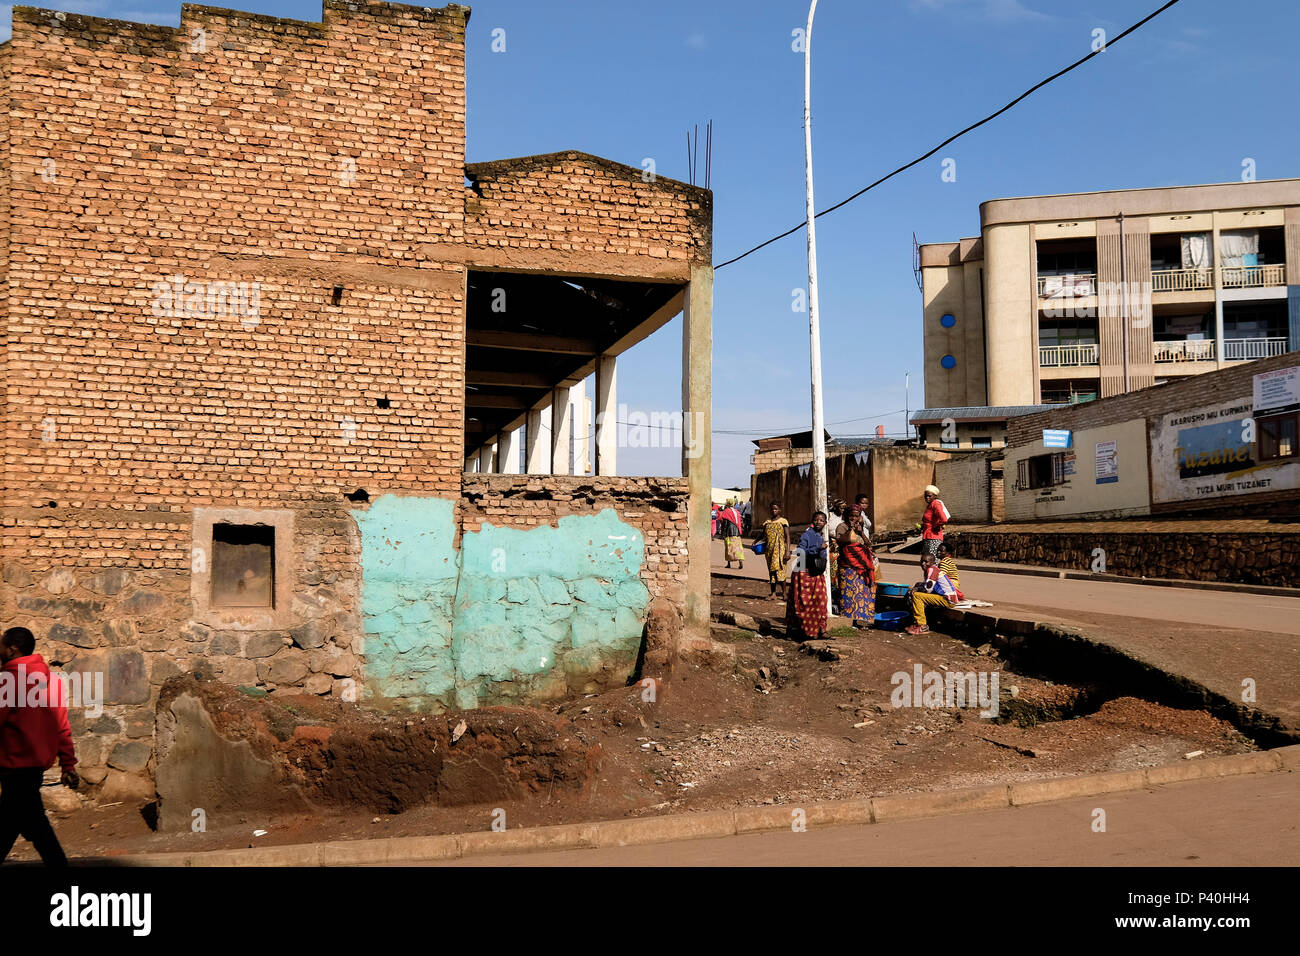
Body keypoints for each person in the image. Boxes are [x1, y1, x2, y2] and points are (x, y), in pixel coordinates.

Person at [0, 626, 78, 866]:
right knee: (24, 822)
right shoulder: (51, 681)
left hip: (13, 767)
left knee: (27, 824)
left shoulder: (7, 680)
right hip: (34, 769)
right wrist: (68, 764)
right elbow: (61, 726)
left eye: (2, 644)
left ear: (12, 650)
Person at [786, 511, 830, 640]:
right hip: (804, 571)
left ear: (825, 523)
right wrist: (817, 549)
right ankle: (800, 631)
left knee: (821, 601)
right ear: (812, 521)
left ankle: (821, 629)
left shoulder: (821, 536)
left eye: (821, 520)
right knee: (802, 601)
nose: (818, 522)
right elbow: (800, 550)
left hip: (816, 573)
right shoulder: (807, 535)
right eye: (816, 520)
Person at [836, 510, 876, 628]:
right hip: (848, 565)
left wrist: (861, 532)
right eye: (851, 516)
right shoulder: (842, 527)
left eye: (856, 516)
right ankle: (849, 620)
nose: (853, 518)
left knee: (862, 592)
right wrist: (851, 529)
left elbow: (868, 544)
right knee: (849, 593)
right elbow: (841, 541)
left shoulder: (860, 527)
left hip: (862, 565)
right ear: (847, 516)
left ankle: (863, 619)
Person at [905, 555, 959, 635]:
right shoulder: (930, 570)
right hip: (944, 597)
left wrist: (917, 589)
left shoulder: (932, 570)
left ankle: (921, 625)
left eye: (926, 562)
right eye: (922, 561)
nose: (923, 564)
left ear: (932, 562)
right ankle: (918, 623)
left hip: (948, 599)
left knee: (916, 596)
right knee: (917, 591)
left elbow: (928, 588)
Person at [760, 502, 791, 599]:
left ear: (779, 510)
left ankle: (784, 593)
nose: (774, 511)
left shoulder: (783, 521)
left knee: (780, 570)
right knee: (771, 571)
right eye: (772, 509)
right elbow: (762, 534)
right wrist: (755, 541)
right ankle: (773, 593)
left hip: (780, 549)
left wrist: (787, 551)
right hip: (769, 550)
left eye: (776, 509)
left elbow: (787, 536)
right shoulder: (767, 522)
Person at [919, 484, 950, 564]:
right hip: (927, 536)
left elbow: (944, 519)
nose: (927, 498)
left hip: (934, 538)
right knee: (926, 561)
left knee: (932, 562)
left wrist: (936, 525)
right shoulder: (929, 506)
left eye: (929, 496)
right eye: (925, 496)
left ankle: (934, 576)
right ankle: (929, 576)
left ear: (935, 496)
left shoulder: (935, 504)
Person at [717, 500, 745, 570]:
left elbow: (725, 523)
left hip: (729, 532)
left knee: (728, 548)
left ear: (728, 504)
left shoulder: (726, 511)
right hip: (737, 533)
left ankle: (728, 564)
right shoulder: (737, 512)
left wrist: (723, 534)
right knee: (738, 548)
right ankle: (740, 561)